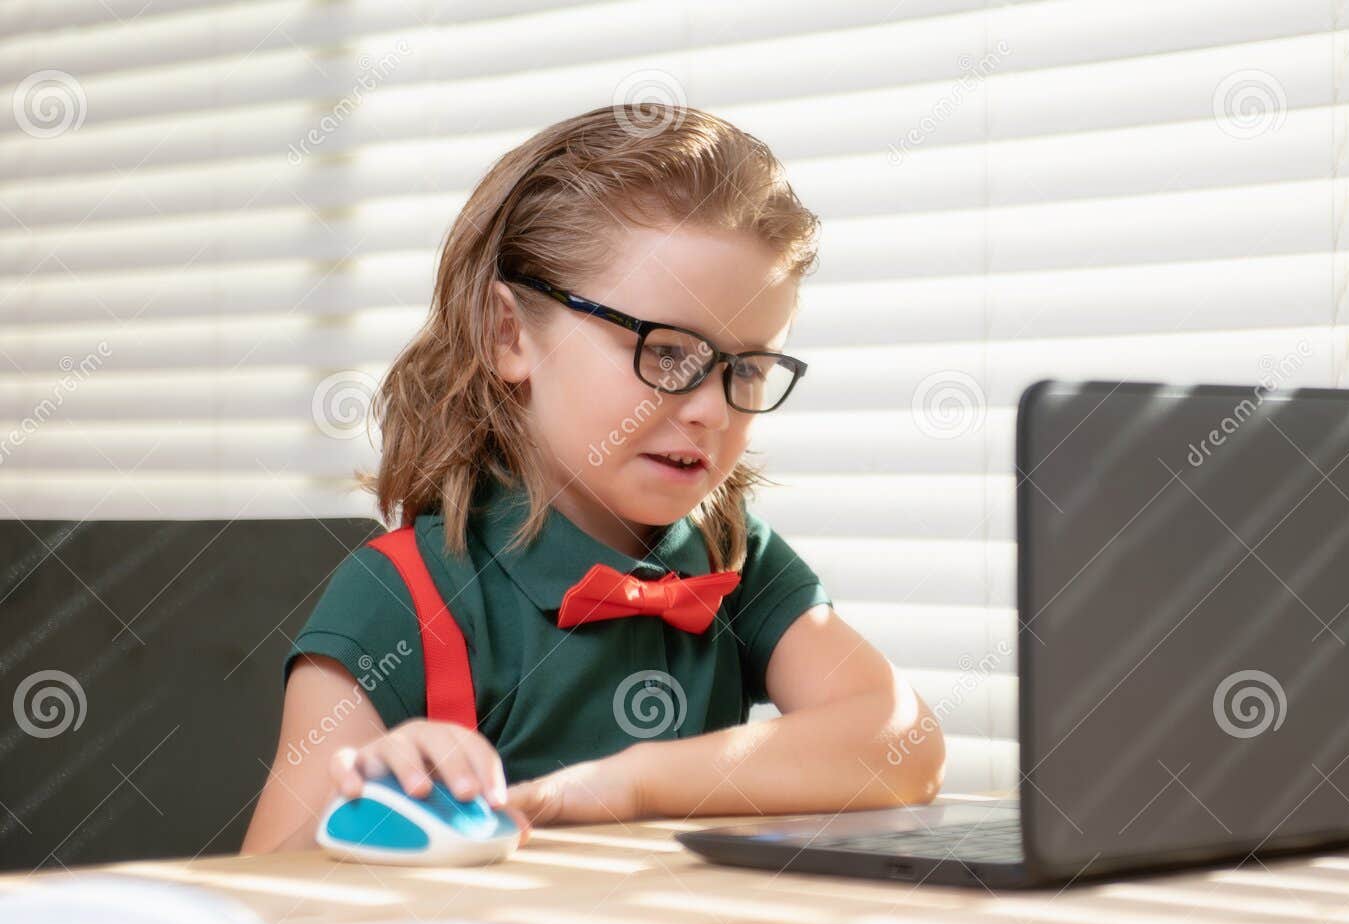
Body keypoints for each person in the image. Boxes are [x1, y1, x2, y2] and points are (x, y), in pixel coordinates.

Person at [242, 105, 944, 854]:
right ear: (508, 333)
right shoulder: (397, 597)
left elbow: (903, 740)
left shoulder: (733, 555)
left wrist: (632, 783)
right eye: (667, 352)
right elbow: (263, 897)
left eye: (747, 367)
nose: (710, 408)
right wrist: (381, 790)